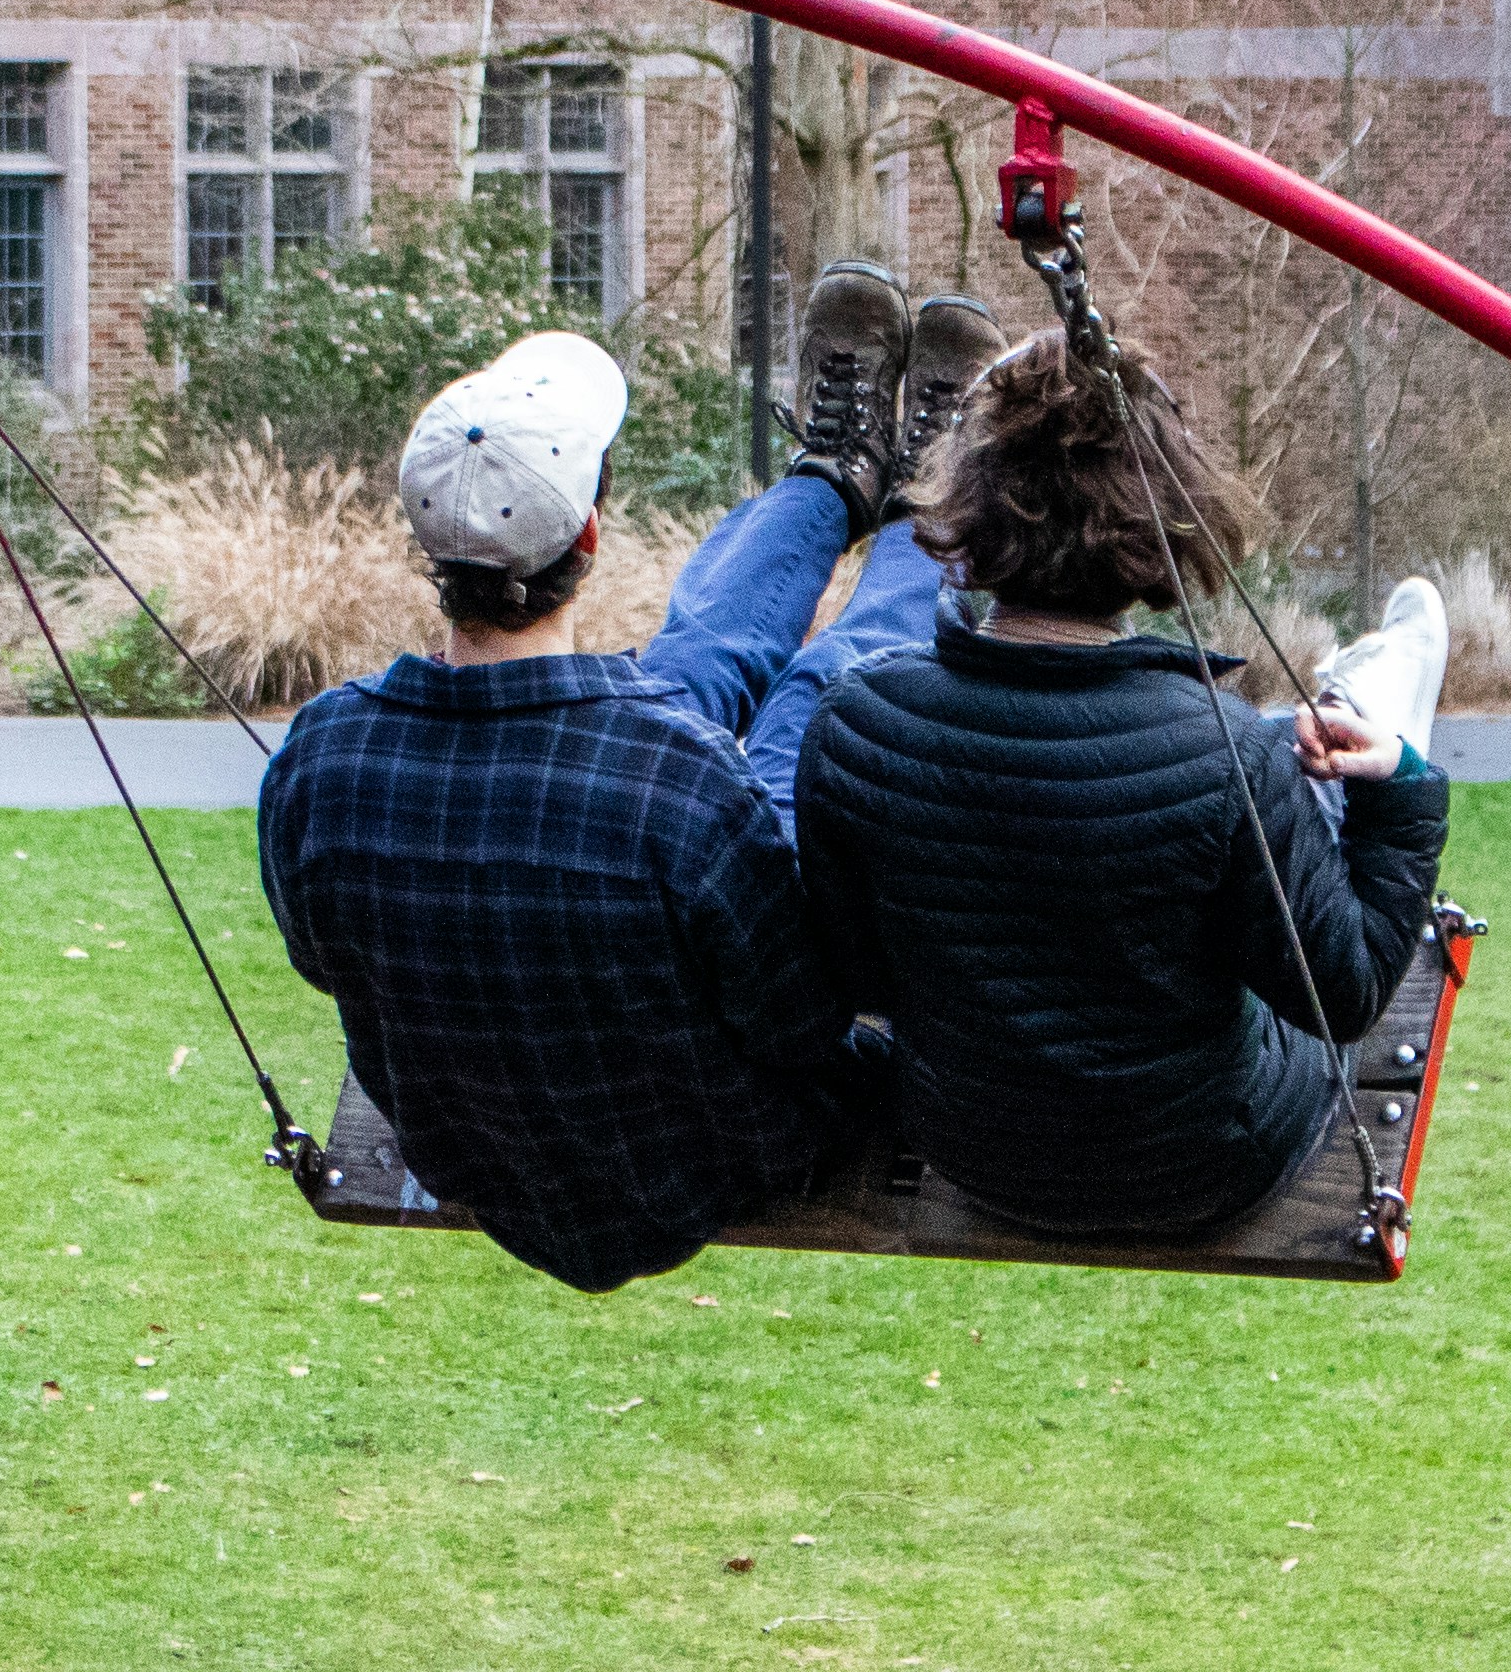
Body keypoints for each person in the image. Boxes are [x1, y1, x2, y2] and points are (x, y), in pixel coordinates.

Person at [254, 270, 1001, 1292]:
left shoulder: (321, 754)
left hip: (480, 1147)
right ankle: (927, 505)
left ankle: (836, 472)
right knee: (824, 696)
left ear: (428, 546)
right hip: (710, 1157)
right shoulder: (676, 781)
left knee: (695, 665)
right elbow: (796, 1024)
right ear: (590, 533)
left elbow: (319, 958)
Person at [790, 331, 1457, 1243]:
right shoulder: (1221, 753)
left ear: (973, 508)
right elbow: (1344, 994)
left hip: (975, 1152)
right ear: (1157, 529)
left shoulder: (857, 720)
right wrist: (1406, 794)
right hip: (1197, 1165)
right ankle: (1377, 724)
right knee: (1297, 785)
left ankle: (1348, 719)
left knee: (1236, 788)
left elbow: (857, 969)